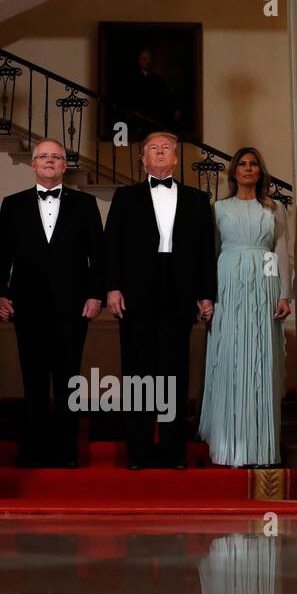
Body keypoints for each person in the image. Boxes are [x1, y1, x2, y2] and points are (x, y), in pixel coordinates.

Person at [104, 131, 216, 470]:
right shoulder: (125, 197)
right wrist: (112, 287)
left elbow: (205, 252)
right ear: (142, 159)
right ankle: (137, 451)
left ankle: (173, 451)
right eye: (153, 148)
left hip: (179, 291)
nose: (160, 152)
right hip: (136, 291)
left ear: (176, 157)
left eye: (166, 147)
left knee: (174, 372)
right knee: (138, 372)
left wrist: (206, 293)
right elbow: (112, 246)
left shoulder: (198, 199)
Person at [0, 141, 104, 467]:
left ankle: (67, 451)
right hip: (27, 304)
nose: (50, 161)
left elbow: (98, 252)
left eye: (56, 157)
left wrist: (95, 294)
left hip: (73, 306)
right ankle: (33, 450)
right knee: (34, 379)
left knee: (69, 379)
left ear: (65, 165)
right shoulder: (12, 204)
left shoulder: (85, 203)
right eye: (44, 156)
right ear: (33, 164)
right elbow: (2, 255)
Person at [199, 147, 291, 468]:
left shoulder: (274, 209)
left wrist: (281, 293)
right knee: (230, 359)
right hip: (227, 281)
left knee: (260, 361)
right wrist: (206, 295)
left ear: (260, 171)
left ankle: (260, 449)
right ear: (234, 172)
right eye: (242, 164)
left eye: (253, 164)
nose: (248, 169)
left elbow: (278, 253)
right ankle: (227, 448)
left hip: (262, 282)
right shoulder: (218, 208)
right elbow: (209, 254)